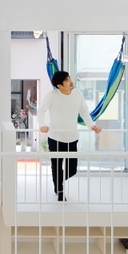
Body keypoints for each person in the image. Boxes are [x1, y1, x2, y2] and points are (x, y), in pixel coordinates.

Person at [38, 71, 102, 201]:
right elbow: (41, 110)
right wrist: (42, 124)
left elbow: (84, 111)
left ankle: (58, 181)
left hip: (72, 138)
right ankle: (60, 190)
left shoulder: (77, 94)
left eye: (69, 78)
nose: (70, 81)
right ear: (59, 85)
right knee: (56, 165)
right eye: (67, 80)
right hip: (55, 138)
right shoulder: (52, 96)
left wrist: (91, 125)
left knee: (72, 169)